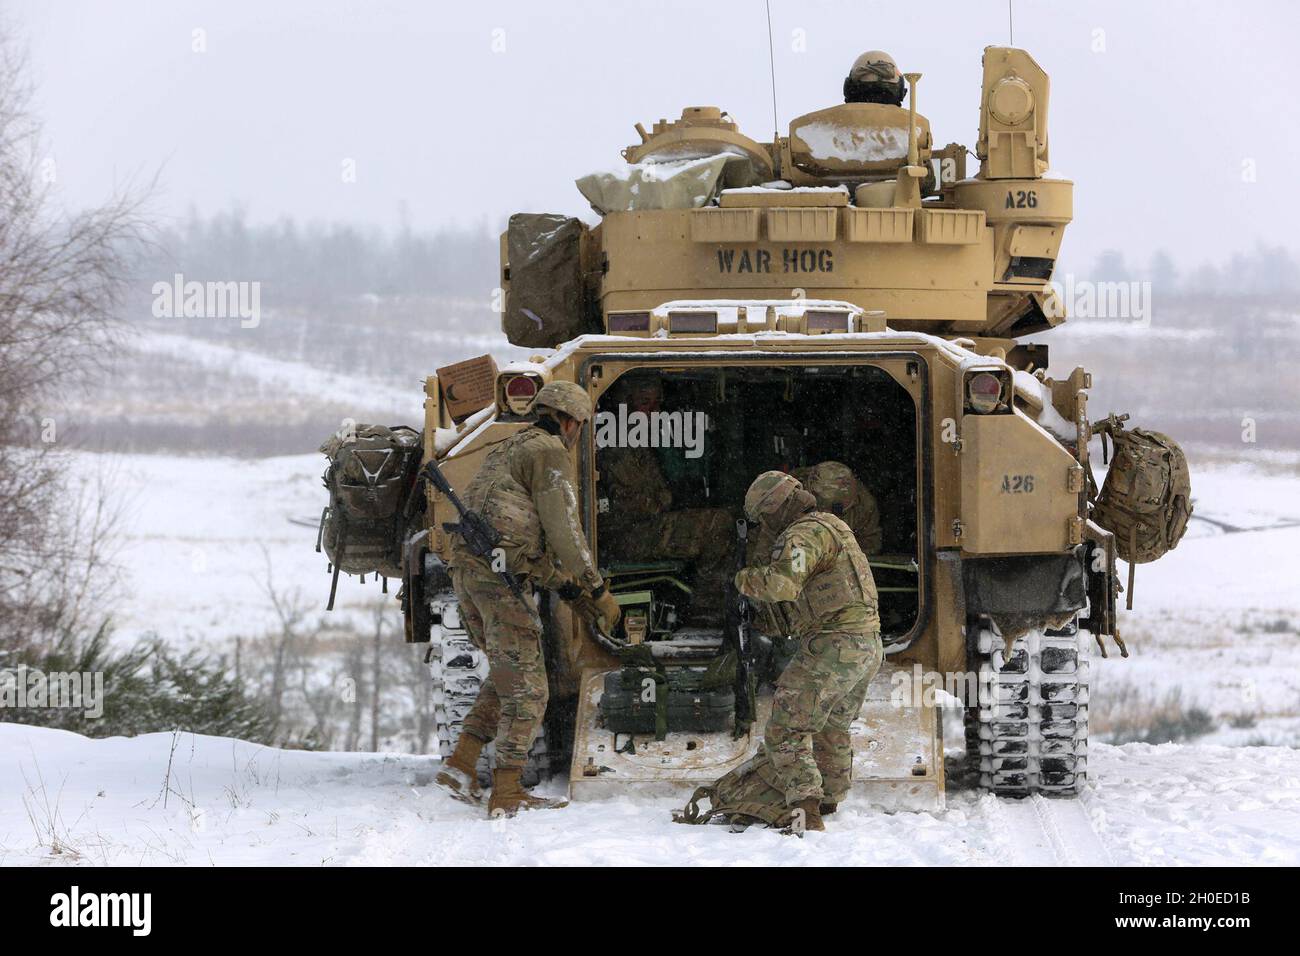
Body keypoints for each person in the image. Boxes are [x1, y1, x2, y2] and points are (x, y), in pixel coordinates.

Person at [433, 381, 621, 817]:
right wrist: (596, 588)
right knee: (531, 692)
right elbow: (565, 532)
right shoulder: (548, 452)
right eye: (580, 426)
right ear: (570, 421)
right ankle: (506, 791)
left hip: (471, 576)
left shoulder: (506, 448)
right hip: (499, 583)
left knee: (507, 675)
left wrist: (571, 592)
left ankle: (460, 765)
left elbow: (516, 542)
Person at [734, 471, 882, 831]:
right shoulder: (832, 525)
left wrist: (743, 578)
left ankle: (805, 812)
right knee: (832, 725)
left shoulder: (802, 534)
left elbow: (783, 584)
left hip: (835, 645)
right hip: (867, 644)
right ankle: (829, 799)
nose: (764, 527)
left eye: (764, 518)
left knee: (786, 728)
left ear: (775, 509)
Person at [598, 377, 732, 621]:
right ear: (624, 404)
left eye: (658, 403)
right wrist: (670, 498)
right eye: (645, 403)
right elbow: (628, 505)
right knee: (718, 524)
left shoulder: (642, 437)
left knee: (727, 517)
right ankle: (708, 608)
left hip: (643, 527)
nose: (654, 411)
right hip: (626, 536)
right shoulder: (617, 445)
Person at [792, 460, 883, 555]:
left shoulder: (864, 506)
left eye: (835, 508)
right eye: (821, 503)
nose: (826, 514)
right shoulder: (790, 490)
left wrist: (840, 551)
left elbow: (871, 543)